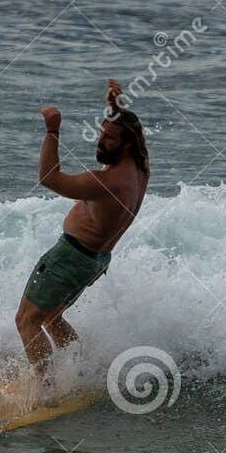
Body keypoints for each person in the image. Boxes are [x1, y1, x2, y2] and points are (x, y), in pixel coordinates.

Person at [16, 80, 149, 387]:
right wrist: (116, 109)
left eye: (110, 138)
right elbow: (136, 132)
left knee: (27, 321)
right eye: (102, 134)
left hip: (71, 258)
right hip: (95, 260)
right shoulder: (140, 168)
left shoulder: (109, 182)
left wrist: (52, 131)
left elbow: (49, 178)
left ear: (127, 144)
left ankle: (45, 388)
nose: (101, 142)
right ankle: (79, 372)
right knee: (51, 317)